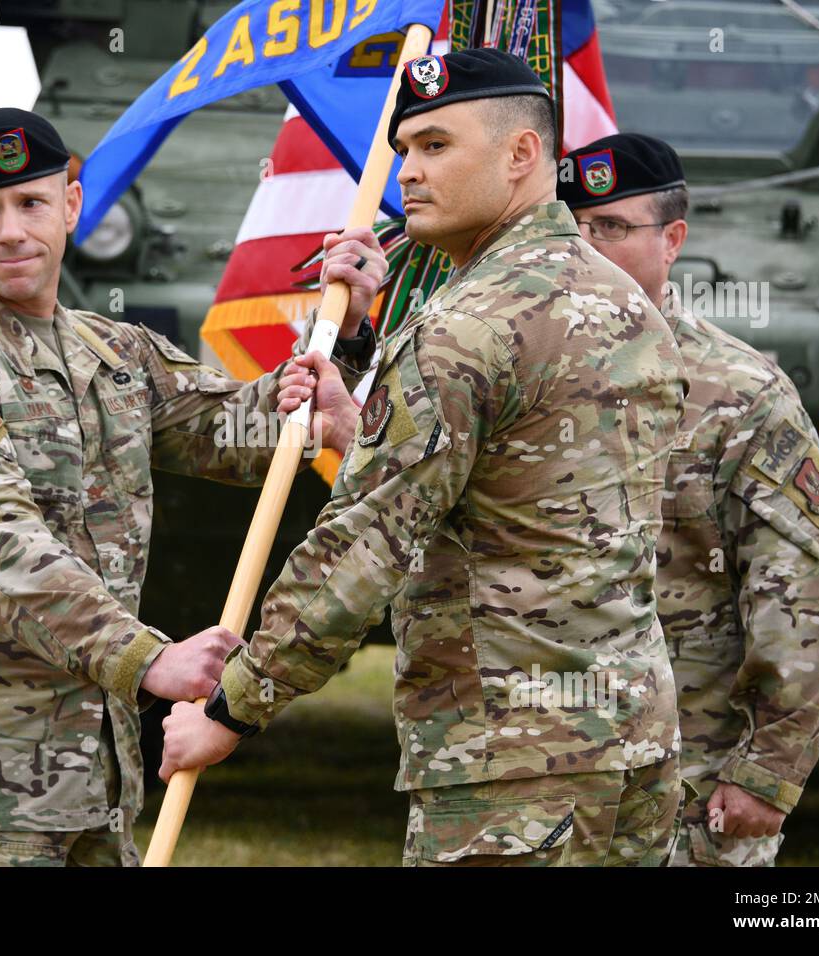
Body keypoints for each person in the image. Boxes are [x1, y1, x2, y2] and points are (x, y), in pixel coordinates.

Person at [159, 49, 689, 866]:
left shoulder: (466, 327)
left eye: (437, 145)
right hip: (631, 744)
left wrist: (229, 709)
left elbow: (358, 550)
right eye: (404, 149)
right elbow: (529, 481)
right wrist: (359, 426)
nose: (408, 172)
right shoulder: (623, 299)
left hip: (510, 763)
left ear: (521, 155)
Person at [0, 108, 378, 866]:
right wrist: (147, 659)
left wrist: (343, 339)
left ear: (71, 204)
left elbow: (236, 430)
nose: (9, 231)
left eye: (30, 203)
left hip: (93, 785)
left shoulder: (113, 352)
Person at [555, 133, 819, 866]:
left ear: (673, 239)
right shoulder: (508, 379)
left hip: (687, 783)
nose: (587, 246)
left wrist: (769, 772)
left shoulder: (743, 396)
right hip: (538, 778)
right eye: (572, 227)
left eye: (614, 228)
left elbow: (799, 596)